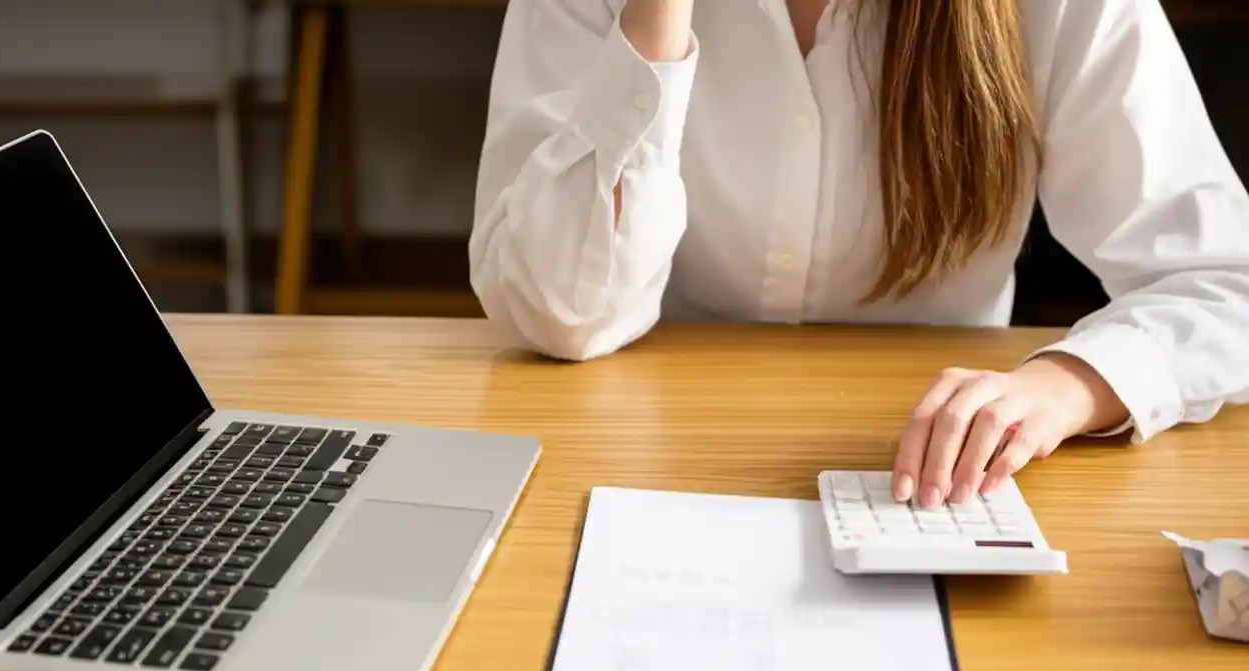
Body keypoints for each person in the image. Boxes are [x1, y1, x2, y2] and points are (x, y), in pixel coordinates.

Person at [467, 0, 1249, 508]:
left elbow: (1223, 278)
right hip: (632, 459)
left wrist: (1069, 385)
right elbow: (560, 312)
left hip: (935, 481)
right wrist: (654, 25)